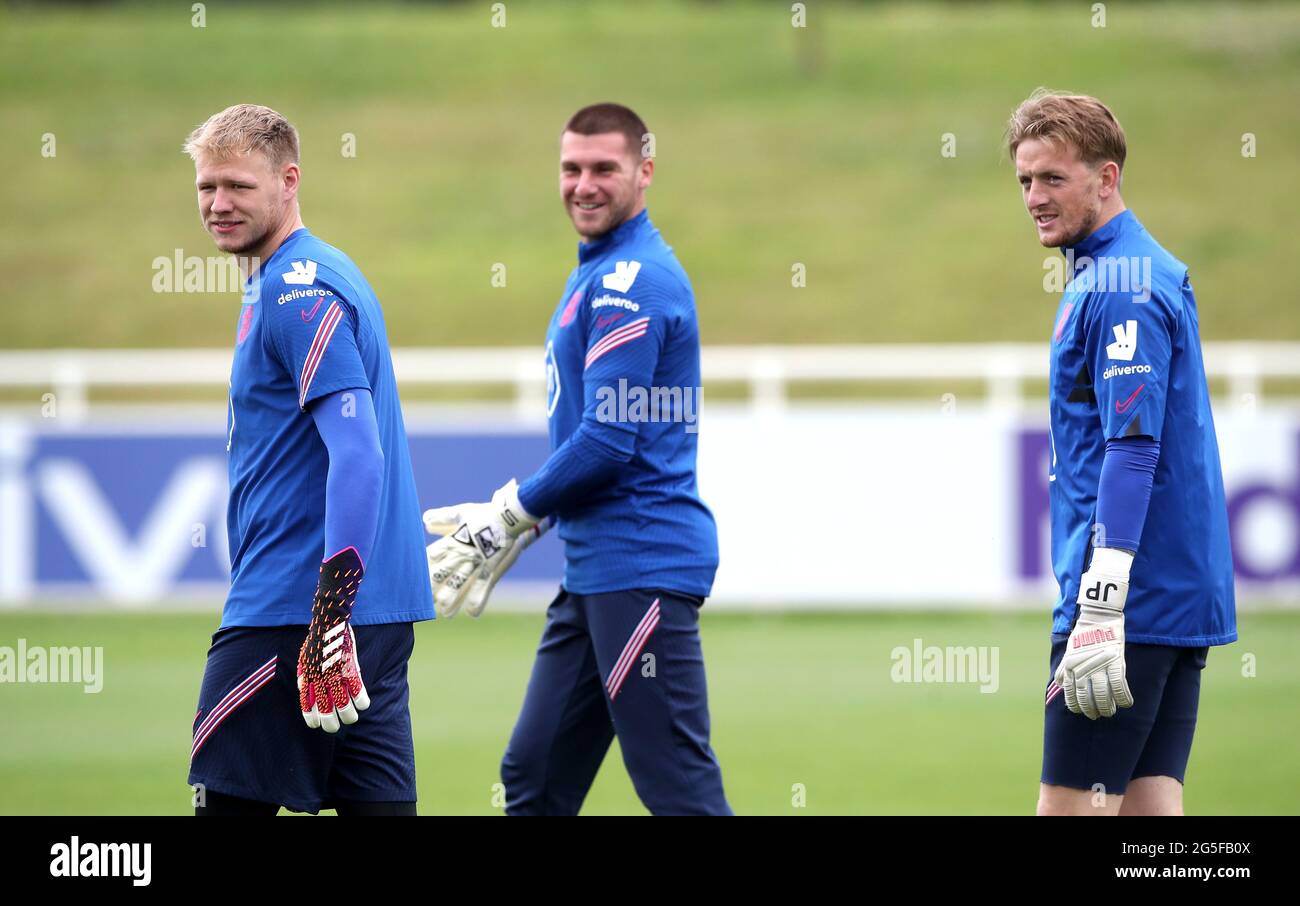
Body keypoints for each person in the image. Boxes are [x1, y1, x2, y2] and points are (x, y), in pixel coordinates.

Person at [422, 103, 731, 815]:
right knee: (533, 779)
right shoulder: (600, 270)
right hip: (597, 572)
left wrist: (512, 512)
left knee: (680, 792)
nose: (583, 184)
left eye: (604, 169)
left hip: (640, 565)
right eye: (571, 168)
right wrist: (530, 521)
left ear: (644, 172)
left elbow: (605, 442)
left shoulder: (632, 283)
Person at [184, 104, 433, 815]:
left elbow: (358, 456)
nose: (218, 204)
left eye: (237, 185)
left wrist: (326, 620)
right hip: (373, 622)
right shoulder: (320, 271)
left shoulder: (296, 290)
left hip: (293, 615)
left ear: (289, 180)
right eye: (206, 187)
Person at [1007, 90, 1236, 816]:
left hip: (1126, 604)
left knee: (1069, 812)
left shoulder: (1121, 285)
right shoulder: (1130, 269)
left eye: (1053, 179)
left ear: (1106, 179)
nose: (1034, 198)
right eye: (1024, 181)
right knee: (1149, 820)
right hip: (1168, 597)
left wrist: (1102, 600)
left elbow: (1132, 451)